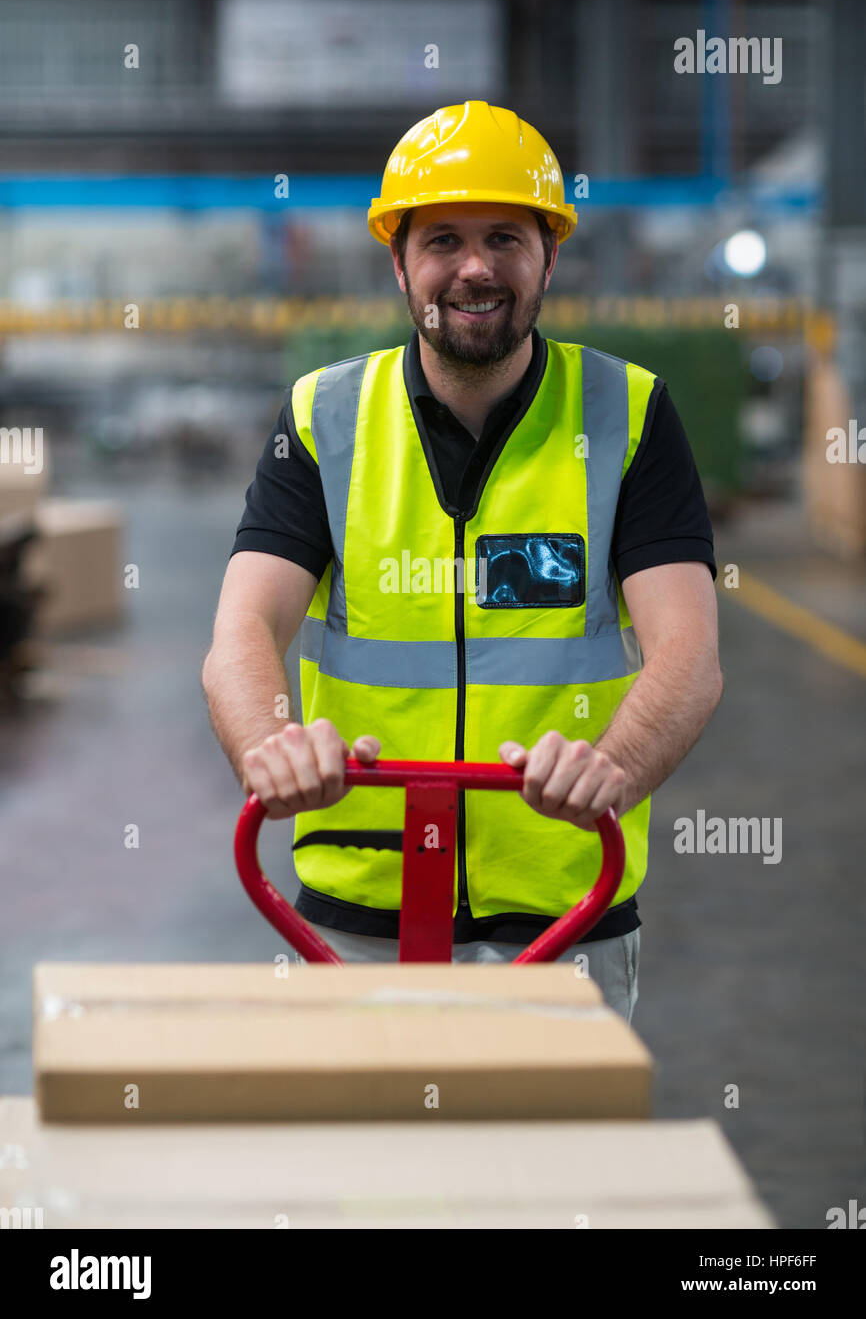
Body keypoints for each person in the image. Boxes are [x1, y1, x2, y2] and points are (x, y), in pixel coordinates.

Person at [202, 101, 723, 1024]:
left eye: (505, 239)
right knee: (371, 1171)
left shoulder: (627, 414)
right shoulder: (325, 417)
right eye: (442, 239)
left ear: (549, 257)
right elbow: (244, 627)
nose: (474, 268)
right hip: (355, 918)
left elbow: (689, 653)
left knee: (550, 1171)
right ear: (399, 263)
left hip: (565, 918)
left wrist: (612, 766)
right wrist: (270, 747)